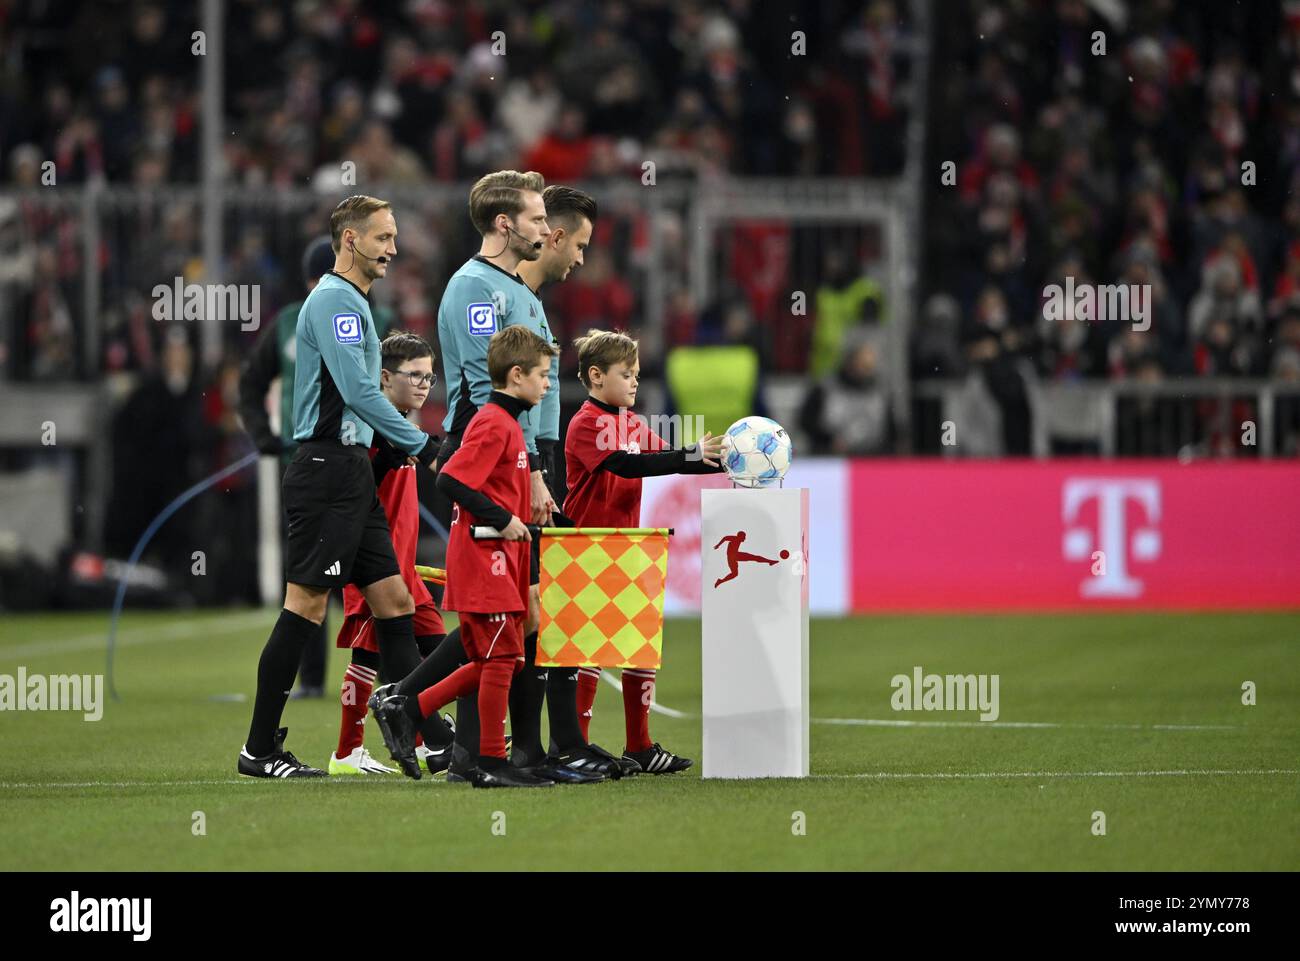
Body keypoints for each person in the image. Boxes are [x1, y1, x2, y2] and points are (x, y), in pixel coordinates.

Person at [236, 195, 442, 778]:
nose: (394, 249)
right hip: (326, 470)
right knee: (304, 605)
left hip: (347, 472)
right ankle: (259, 748)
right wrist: (424, 445)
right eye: (383, 237)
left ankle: (426, 731)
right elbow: (358, 392)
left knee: (394, 601)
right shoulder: (335, 302)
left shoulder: (352, 302)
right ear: (350, 240)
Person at [371, 325, 557, 788]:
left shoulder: (507, 424)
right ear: (517, 376)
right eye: (543, 375)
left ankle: (408, 707)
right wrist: (503, 516)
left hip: (500, 557)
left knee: (498, 659)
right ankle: (491, 762)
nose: (548, 385)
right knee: (500, 659)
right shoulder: (494, 423)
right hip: (484, 558)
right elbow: (450, 479)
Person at [238, 236, 395, 698]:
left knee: (387, 586)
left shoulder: (376, 319)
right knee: (311, 590)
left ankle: (400, 694)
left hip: (372, 463)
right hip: (312, 461)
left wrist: (399, 441)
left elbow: (398, 387)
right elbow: (250, 384)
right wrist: (263, 437)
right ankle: (311, 685)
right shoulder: (290, 322)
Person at [564, 328, 725, 774]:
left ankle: (640, 746)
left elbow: (666, 457)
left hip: (626, 547)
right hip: (587, 549)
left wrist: (720, 459)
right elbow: (629, 464)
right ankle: (576, 745)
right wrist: (689, 456)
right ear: (596, 377)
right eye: (626, 374)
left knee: (639, 647)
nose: (636, 381)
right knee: (589, 650)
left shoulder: (630, 422)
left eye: (637, 373)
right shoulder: (587, 424)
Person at [328, 331, 454, 776]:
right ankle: (347, 752)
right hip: (375, 570)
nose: (424, 385)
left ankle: (427, 737)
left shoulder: (406, 429)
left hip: (406, 572)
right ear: (384, 377)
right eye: (414, 375)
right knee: (369, 657)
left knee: (445, 653)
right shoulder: (369, 430)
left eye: (429, 376)